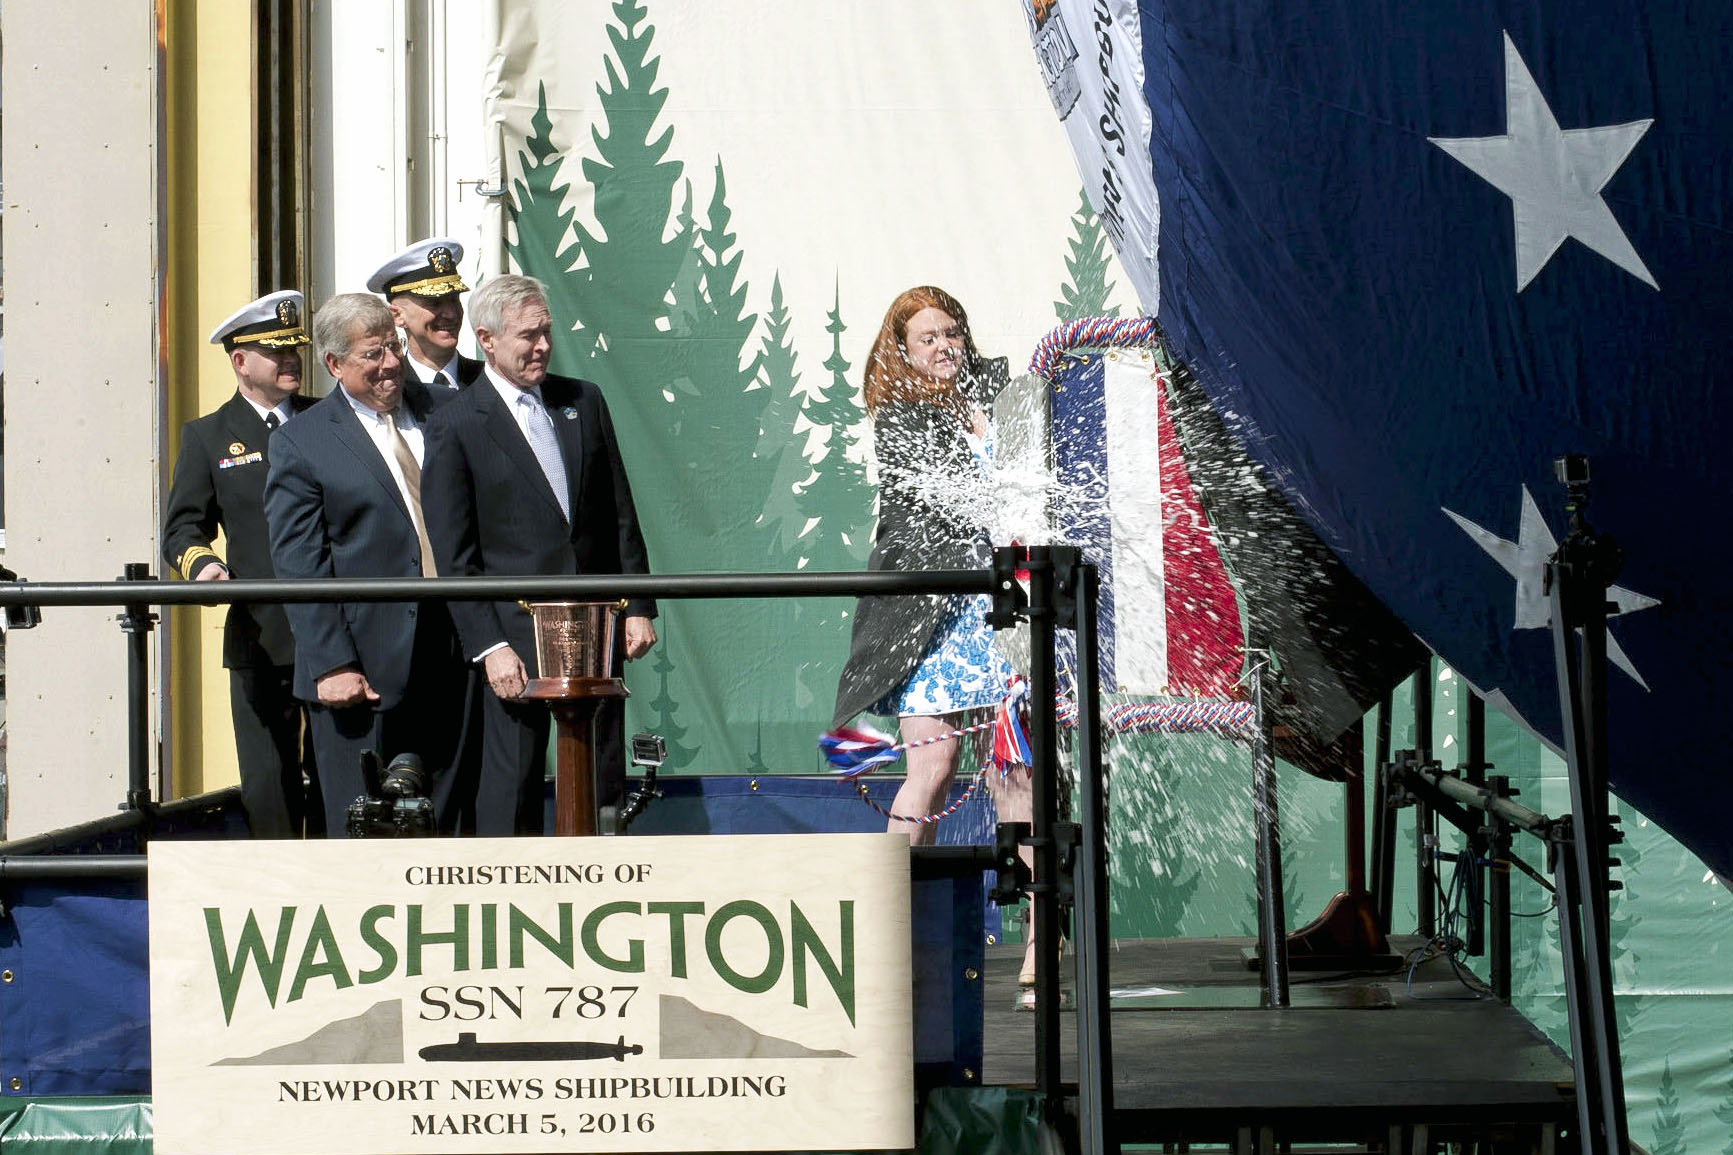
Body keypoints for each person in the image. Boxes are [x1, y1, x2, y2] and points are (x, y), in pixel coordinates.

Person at [830, 286, 1037, 985]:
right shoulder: (900, 418)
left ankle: (1042, 941)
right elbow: (954, 504)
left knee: (1017, 775)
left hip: (1007, 615)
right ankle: (893, 927)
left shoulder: (1006, 397)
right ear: (902, 349)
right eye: (927, 337)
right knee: (932, 767)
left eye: (952, 331)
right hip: (937, 621)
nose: (944, 345)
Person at [422, 274, 656, 836]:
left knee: (602, 779)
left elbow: (618, 512)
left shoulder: (583, 401)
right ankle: (513, 898)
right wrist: (490, 646)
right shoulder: (455, 424)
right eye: (528, 336)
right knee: (513, 783)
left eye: (546, 332)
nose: (542, 347)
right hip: (514, 636)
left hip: (594, 628)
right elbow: (456, 556)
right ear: (488, 340)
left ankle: (605, 882)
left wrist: (640, 605)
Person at [263, 293, 472, 836]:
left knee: (450, 813)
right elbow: (300, 562)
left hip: (455, 643)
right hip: (361, 666)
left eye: (394, 347)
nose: (392, 364)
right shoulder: (301, 441)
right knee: (363, 824)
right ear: (334, 365)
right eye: (373, 354)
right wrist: (332, 663)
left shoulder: (449, 412)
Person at [162, 290, 320, 837]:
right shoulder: (208, 436)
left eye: (294, 349)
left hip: (335, 627)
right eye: (276, 352)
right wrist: (203, 566)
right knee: (268, 778)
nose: (290, 360)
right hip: (261, 630)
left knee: (335, 774)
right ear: (240, 362)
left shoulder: (329, 420)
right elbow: (182, 528)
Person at [366, 237, 484, 391]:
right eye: (434, 303)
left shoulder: (491, 381)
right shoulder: (386, 389)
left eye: (454, 300)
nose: (451, 314)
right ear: (397, 316)